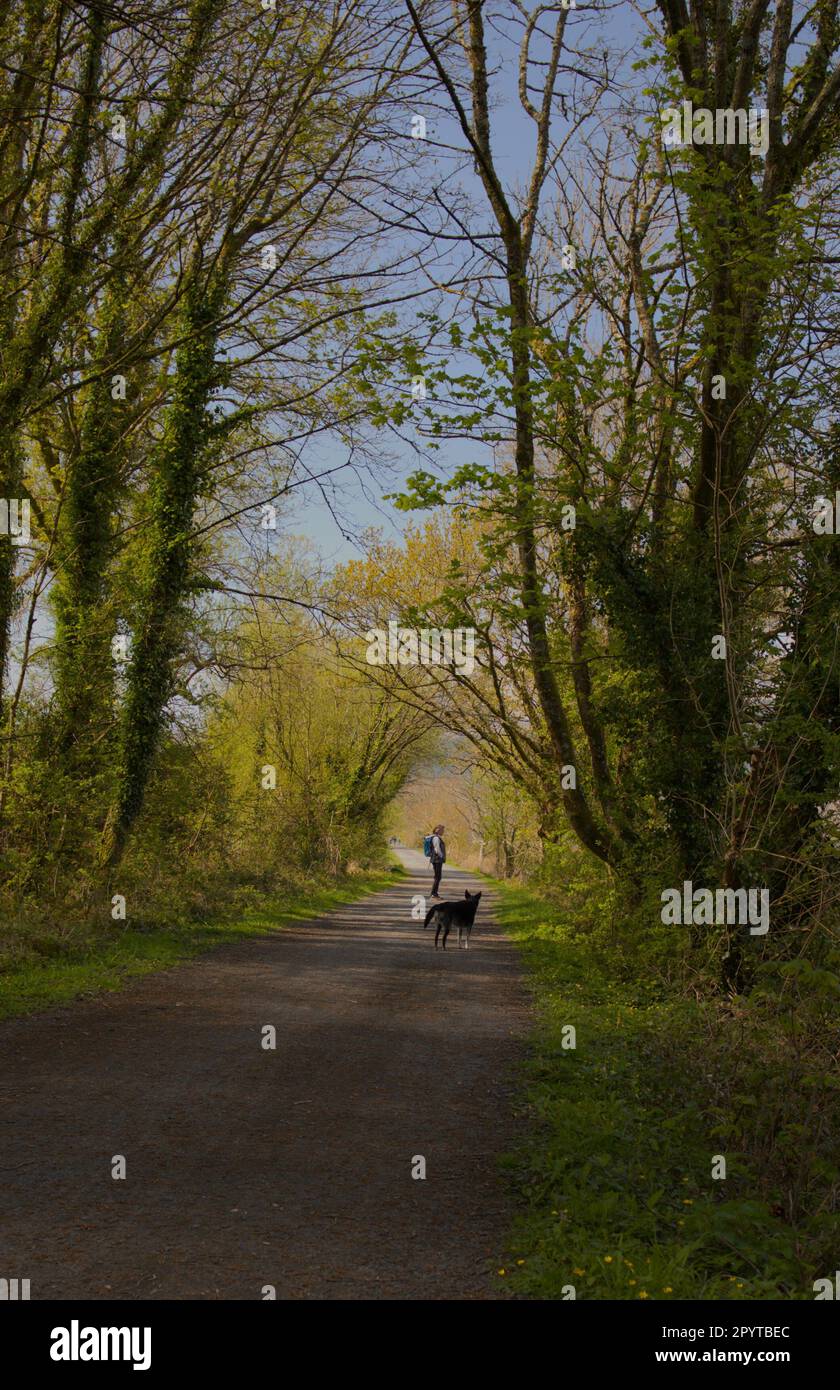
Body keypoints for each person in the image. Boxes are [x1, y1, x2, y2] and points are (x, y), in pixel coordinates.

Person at [429, 823, 446, 899]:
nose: (443, 832)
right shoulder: (436, 838)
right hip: (437, 860)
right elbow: (437, 849)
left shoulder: (437, 837)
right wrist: (442, 856)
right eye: (442, 830)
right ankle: (433, 894)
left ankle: (434, 893)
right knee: (437, 877)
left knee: (438, 877)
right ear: (438, 830)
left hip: (437, 859)